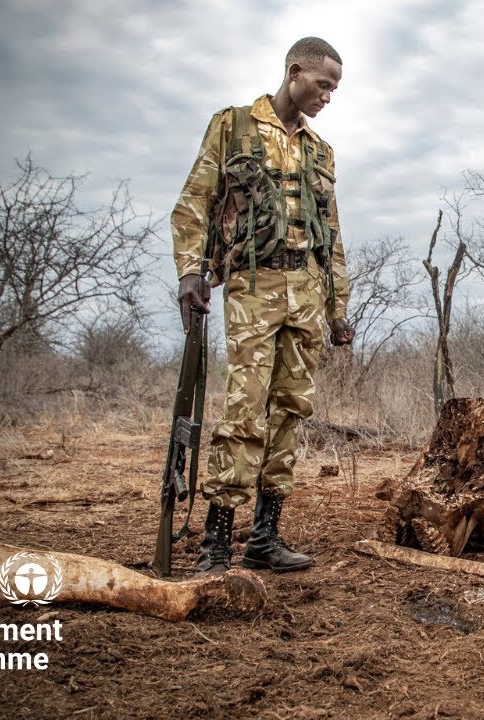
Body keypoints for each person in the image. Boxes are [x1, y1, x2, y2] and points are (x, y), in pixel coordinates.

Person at [170, 36, 355, 576]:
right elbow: (193, 204)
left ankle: (265, 538)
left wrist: (338, 307)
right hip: (254, 289)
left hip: (309, 293)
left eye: (334, 89)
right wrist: (189, 273)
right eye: (324, 84)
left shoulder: (321, 151)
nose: (328, 96)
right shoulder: (233, 127)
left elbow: (333, 236)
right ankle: (217, 544)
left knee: (292, 411)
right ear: (295, 73)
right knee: (244, 411)